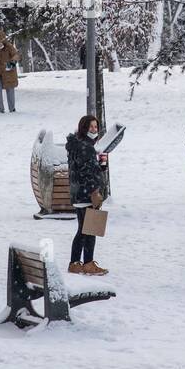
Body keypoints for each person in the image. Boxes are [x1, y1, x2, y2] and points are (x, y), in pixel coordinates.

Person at [66, 114, 109, 275]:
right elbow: (86, 173)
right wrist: (94, 192)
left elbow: (83, 170)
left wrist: (100, 166)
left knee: (82, 230)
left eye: (96, 127)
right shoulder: (86, 147)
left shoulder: (77, 145)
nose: (94, 130)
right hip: (86, 195)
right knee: (91, 229)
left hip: (78, 194)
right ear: (84, 128)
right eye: (91, 127)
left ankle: (75, 263)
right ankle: (88, 264)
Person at [0, 30, 19, 113]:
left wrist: (12, 63)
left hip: (8, 73)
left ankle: (12, 109)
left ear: (3, 40)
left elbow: (16, 55)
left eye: (0, 41)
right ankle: (1, 110)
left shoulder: (9, 47)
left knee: (10, 91)